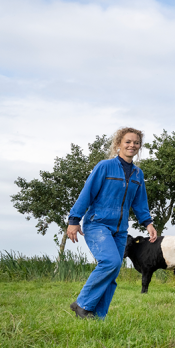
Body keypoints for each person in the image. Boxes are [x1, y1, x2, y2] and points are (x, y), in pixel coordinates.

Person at [66, 127, 157, 319]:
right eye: (128, 142)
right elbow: (87, 193)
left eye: (136, 143)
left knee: (113, 271)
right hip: (97, 223)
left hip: (120, 229)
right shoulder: (105, 167)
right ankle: (81, 304)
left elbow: (140, 202)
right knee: (110, 262)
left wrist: (148, 223)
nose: (132, 145)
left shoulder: (138, 174)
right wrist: (74, 220)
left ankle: (98, 316)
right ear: (118, 145)